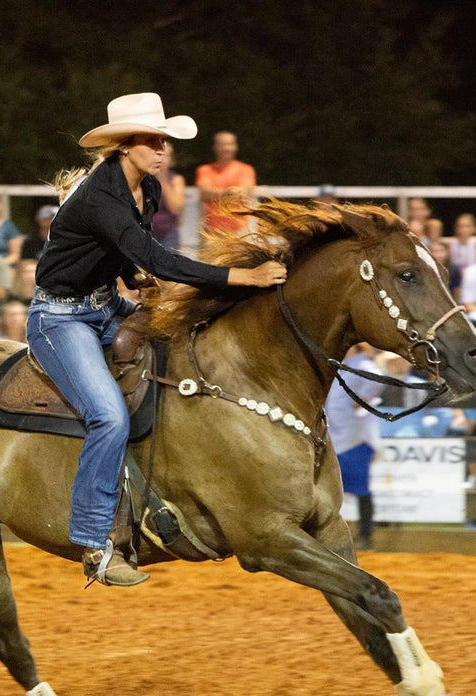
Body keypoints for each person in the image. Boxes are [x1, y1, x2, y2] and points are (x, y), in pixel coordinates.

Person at [30, 92, 286, 586]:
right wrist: (241, 279)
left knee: (186, 352)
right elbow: (157, 256)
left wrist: (134, 278)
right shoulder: (102, 195)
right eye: (153, 140)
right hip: (59, 319)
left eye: (164, 140)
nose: (163, 148)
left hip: (104, 305)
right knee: (106, 415)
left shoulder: (144, 187)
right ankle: (94, 543)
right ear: (125, 146)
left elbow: (128, 254)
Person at [324, 343, 383, 549]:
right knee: (341, 488)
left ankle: (365, 536)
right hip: (342, 436)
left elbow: (376, 379)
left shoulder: (360, 365)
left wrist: (363, 400)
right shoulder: (344, 366)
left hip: (354, 437)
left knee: (358, 488)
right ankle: (360, 536)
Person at [195, 130, 257, 235]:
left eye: (230, 144)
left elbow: (244, 193)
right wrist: (229, 193)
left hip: (239, 231)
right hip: (212, 231)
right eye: (222, 144)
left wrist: (217, 194)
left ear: (235, 147)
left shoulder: (246, 169)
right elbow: (205, 194)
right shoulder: (205, 170)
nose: (226, 148)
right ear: (215, 147)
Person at [151, 140, 186, 249]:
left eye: (165, 156)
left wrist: (163, 180)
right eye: (158, 154)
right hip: (146, 234)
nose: (161, 159)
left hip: (168, 234)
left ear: (171, 160)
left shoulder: (176, 180)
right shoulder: (144, 180)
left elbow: (176, 208)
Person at [449, 213, 476, 277]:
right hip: (456, 278)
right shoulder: (450, 244)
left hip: (474, 277)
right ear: (456, 228)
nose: (464, 229)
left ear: (474, 228)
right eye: (460, 226)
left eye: (467, 226)